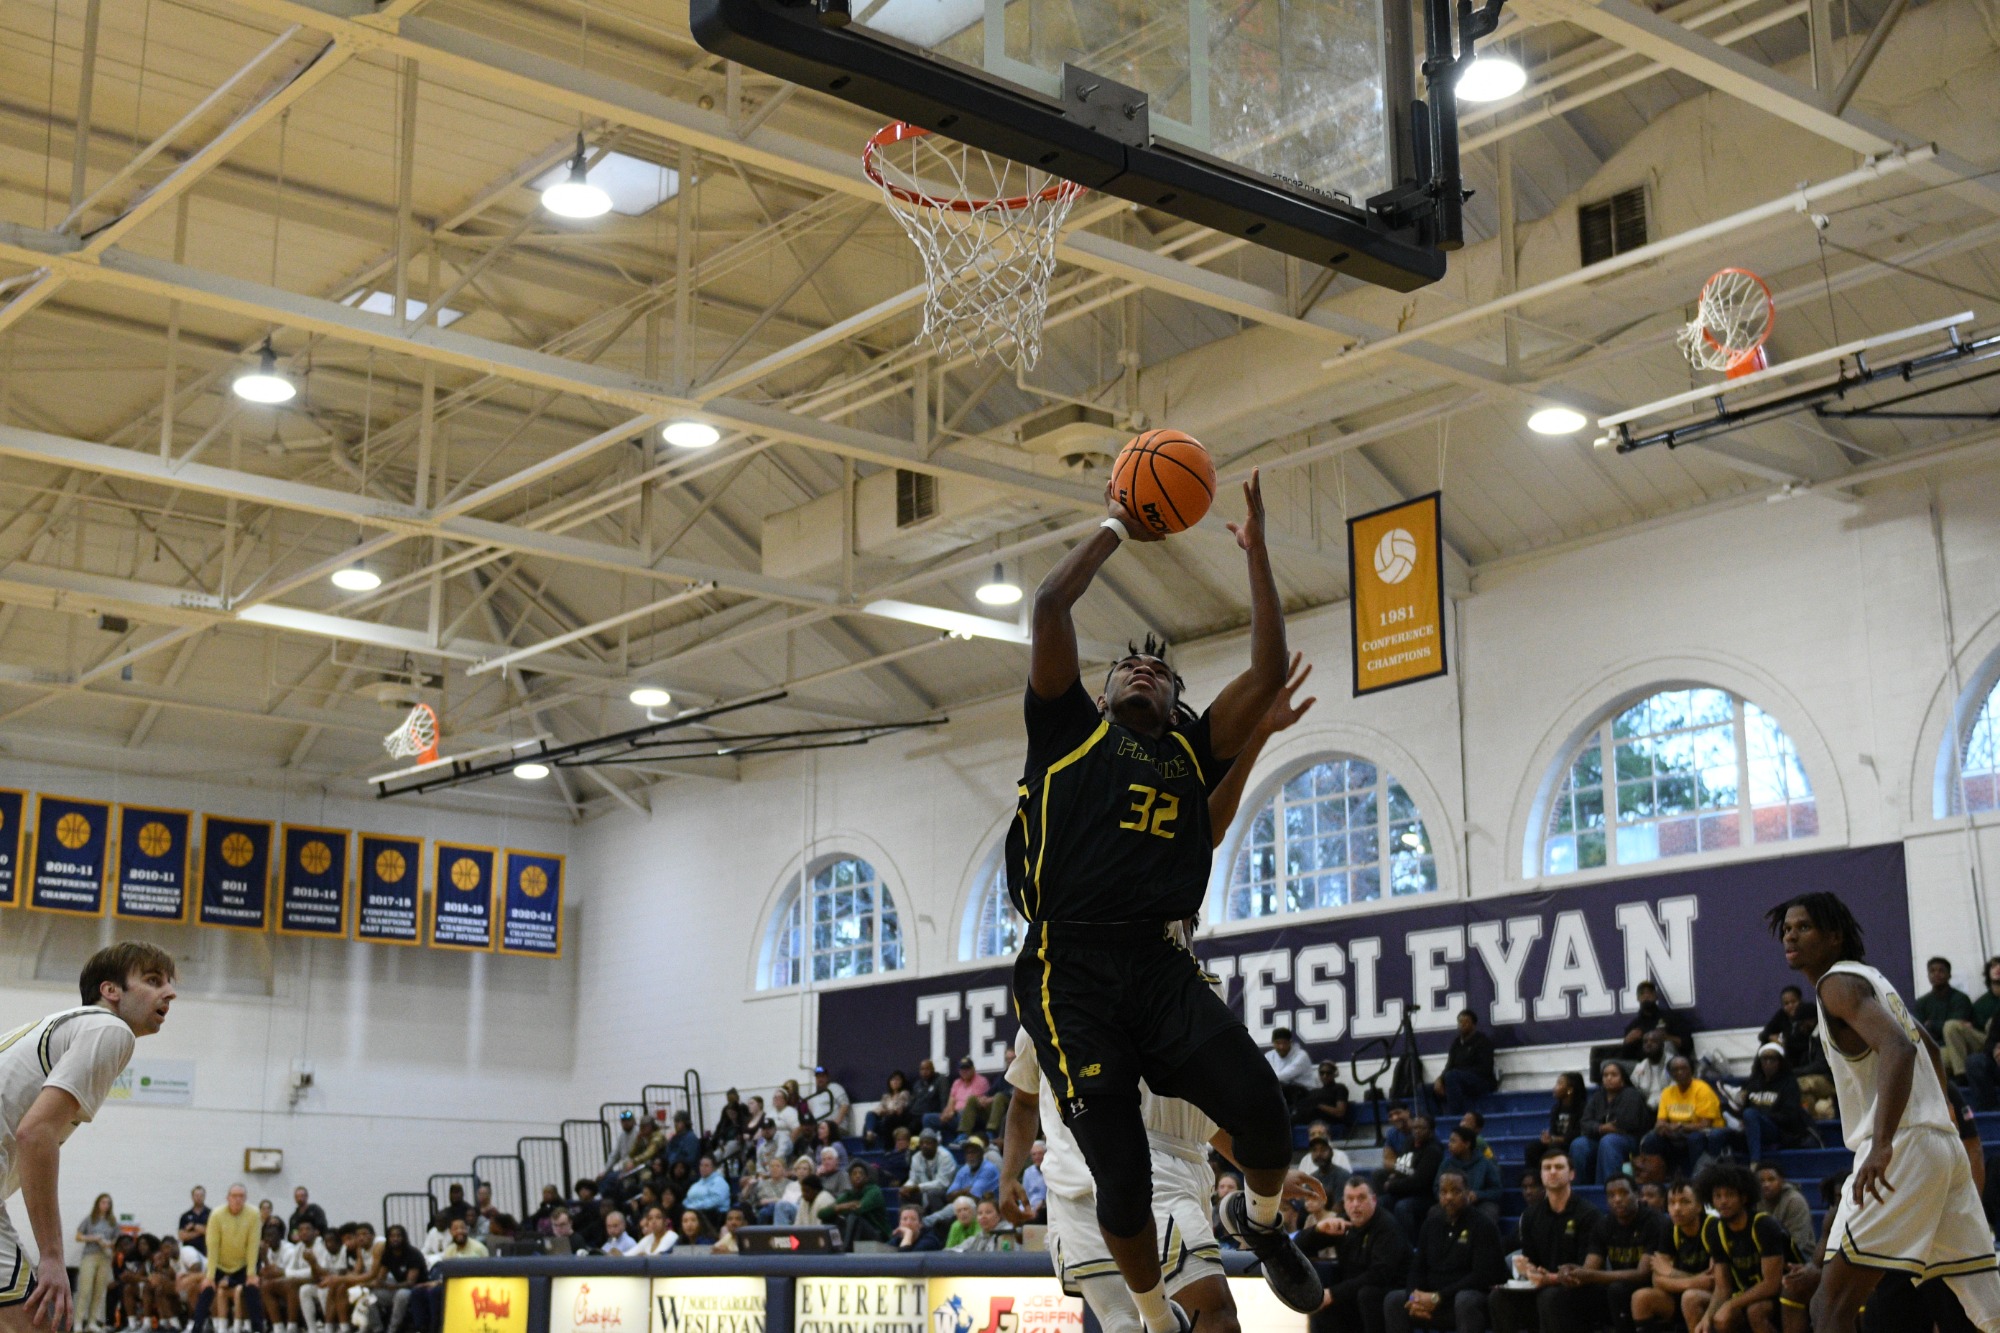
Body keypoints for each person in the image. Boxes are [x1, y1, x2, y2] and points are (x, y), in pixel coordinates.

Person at [1008, 468, 1318, 1327]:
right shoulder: (1067, 732)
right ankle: (1155, 1316)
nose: (1144, 670)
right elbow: (1049, 605)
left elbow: (1265, 667)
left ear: (1178, 703)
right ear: (1103, 691)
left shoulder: (1187, 752)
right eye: (1129, 665)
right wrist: (1118, 522)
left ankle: (1261, 1223)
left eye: (1160, 670)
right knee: (1123, 1174)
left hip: (1154, 956)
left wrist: (1257, 554)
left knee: (1265, 1112)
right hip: (1068, 963)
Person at [1769, 891, 2000, 1333]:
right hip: (1936, 1144)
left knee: (1830, 1306)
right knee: (1987, 1309)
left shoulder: (1836, 984)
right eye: (1787, 930)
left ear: (1834, 936)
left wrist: (1882, 1143)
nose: (1791, 936)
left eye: (1804, 927)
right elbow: (1928, 1047)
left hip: (1905, 1147)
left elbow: (1899, 1048)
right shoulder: (1870, 979)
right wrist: (1941, 1114)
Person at [1003, 1013, 1311, 1333]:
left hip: (1149, 1172)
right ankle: (1258, 1222)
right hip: (1073, 1192)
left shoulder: (1156, 999)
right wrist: (1008, 1175)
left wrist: (1263, 1174)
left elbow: (1199, 1109)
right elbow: (1023, 1101)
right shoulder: (1037, 1016)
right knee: (1123, 1328)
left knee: (1215, 1319)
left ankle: (1259, 1222)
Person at [0, 944, 174, 1331]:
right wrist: (52, 1256)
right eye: (153, 980)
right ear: (110, 990)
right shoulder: (109, 1028)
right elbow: (35, 1133)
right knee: (41, 1322)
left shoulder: (64, 1026)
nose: (170, 992)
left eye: (168, 982)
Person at [1488, 1147, 1601, 1333]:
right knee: (1498, 1297)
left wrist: (1550, 1279)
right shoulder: (1530, 1215)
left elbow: (1586, 1271)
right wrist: (1527, 1269)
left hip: (1578, 1292)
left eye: (1559, 1167)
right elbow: (1531, 1260)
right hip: (1543, 1288)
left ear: (1572, 1174)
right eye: (1547, 1168)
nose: (1552, 1172)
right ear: (1541, 1175)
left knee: (1549, 1296)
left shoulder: (1588, 1214)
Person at [1382, 1172, 1502, 1333]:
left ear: (1468, 1193)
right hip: (1433, 1299)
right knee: (1394, 1300)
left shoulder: (1483, 1226)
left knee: (1465, 1300)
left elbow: (1481, 1276)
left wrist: (1439, 1297)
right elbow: (1417, 1268)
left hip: (1464, 1299)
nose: (1449, 1197)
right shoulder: (1430, 1224)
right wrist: (1413, 1298)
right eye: (1444, 1192)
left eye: (1456, 1191)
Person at [1688, 1161, 1792, 1333]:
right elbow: (1723, 1287)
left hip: (1785, 1291)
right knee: (1719, 1317)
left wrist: (1731, 1304)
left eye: (1729, 1195)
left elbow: (1771, 1284)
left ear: (1743, 1198)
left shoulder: (1764, 1225)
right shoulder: (1715, 1231)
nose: (1723, 1201)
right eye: (1717, 1196)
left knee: (1755, 1311)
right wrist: (1707, 1317)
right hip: (1747, 1294)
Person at [1557, 1176, 1662, 1330]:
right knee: (1572, 1292)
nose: (1617, 1199)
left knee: (1617, 1289)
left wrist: (1590, 1275)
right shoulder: (1603, 1225)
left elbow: (1642, 1274)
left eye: (1623, 1193)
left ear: (1637, 1195)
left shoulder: (1654, 1222)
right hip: (1617, 1286)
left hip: (1651, 1286)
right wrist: (1571, 1272)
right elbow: (1590, 1269)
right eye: (1611, 1195)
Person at [1634, 1177, 1713, 1331]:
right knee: (1641, 1297)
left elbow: (1712, 1282)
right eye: (1672, 1203)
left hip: (1711, 1298)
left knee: (1691, 1297)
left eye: (1685, 1202)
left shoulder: (1712, 1227)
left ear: (1699, 1206)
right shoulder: (1669, 1227)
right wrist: (1694, 1281)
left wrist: (1671, 1273)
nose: (1676, 1208)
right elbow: (1657, 1280)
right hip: (1681, 1294)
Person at [1640, 1056, 1726, 1174]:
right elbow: (1660, 1122)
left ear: (1691, 1070)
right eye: (1675, 1070)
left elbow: (1705, 1124)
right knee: (1652, 1138)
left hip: (1703, 1132)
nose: (1680, 1072)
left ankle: (1697, 1176)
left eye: (1684, 1068)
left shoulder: (1702, 1089)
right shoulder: (1667, 1092)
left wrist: (1680, 1126)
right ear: (1670, 1074)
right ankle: (1657, 1174)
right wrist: (1665, 1127)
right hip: (1677, 1134)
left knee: (1695, 1138)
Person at [1573, 1061, 1651, 1186]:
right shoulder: (1597, 1097)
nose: (1609, 1078)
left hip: (1629, 1140)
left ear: (1622, 1079)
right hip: (1600, 1138)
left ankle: (1610, 1188)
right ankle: (1580, 1188)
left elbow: (1627, 1123)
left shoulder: (1631, 1095)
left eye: (1614, 1075)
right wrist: (1601, 1127)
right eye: (1605, 1075)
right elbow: (1585, 1122)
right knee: (1579, 1144)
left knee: (1609, 1141)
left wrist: (1600, 1127)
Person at [1737, 1044, 1811, 1164]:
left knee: (1750, 1114)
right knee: (1719, 1134)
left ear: (1780, 1062)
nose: (1768, 1063)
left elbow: (1790, 1115)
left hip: (1778, 1130)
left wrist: (1763, 1116)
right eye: (1764, 1059)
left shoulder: (1789, 1083)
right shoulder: (1753, 1082)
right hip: (1752, 1126)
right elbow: (1744, 1109)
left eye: (1772, 1059)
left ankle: (1755, 1162)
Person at [1380, 1116, 1443, 1241]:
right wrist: (1397, 1176)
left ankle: (1409, 1244)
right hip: (1407, 1189)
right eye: (1414, 1128)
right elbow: (1401, 1167)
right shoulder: (1409, 1142)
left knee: (1402, 1207)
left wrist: (1392, 1184)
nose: (1417, 1131)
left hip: (1425, 1195)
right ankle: (1386, 1240)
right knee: (1381, 1201)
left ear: (1431, 1131)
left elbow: (1419, 1182)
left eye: (1421, 1128)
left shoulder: (1433, 1150)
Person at [1914, 957, 1980, 1077]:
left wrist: (1932, 1025)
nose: (1936, 974)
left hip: (1961, 1047)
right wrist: (1935, 1027)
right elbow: (1920, 1031)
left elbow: (1955, 1028)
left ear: (1949, 975)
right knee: (1925, 1061)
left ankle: (1961, 1076)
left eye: (1941, 971)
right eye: (1932, 971)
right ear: (1928, 975)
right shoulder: (1921, 1002)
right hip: (1937, 1047)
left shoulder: (1961, 998)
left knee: (1950, 1028)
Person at [1434, 1012, 1496, 1117]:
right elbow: (1449, 1065)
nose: (1462, 1025)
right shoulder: (1456, 1043)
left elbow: (1485, 1068)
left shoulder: (1483, 1041)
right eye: (1460, 1022)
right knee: (1423, 1089)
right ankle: (1432, 1120)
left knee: (1452, 1076)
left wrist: (1460, 1073)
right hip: (1458, 1080)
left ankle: (1455, 1117)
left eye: (1466, 1022)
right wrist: (1439, 1079)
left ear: (1473, 1025)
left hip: (1482, 1081)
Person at [1526, 1073, 1588, 1178]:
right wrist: (1548, 1137)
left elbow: (1581, 1131)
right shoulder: (1556, 1108)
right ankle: (1536, 1180)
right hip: (1556, 1142)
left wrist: (1557, 1139)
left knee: (1554, 1148)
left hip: (1572, 1144)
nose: (1554, 1088)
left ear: (1570, 1090)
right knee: (1532, 1148)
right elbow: (1554, 1131)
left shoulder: (1583, 1108)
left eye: (1559, 1084)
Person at [1435, 1129, 1499, 1227]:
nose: (1449, 1144)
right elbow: (1436, 1187)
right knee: (1434, 1212)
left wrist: (1478, 1195)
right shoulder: (1446, 1164)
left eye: (1453, 1141)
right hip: (1451, 1202)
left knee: (1490, 1211)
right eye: (1449, 1141)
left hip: (1479, 1203)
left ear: (1467, 1144)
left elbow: (1496, 1190)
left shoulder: (1485, 1163)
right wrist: (1448, 1197)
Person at [75, 1193, 118, 1332]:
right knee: (85, 1289)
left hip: (105, 1257)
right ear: (98, 1204)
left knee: (99, 1290)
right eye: (103, 1202)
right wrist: (93, 1238)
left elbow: (117, 1241)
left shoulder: (113, 1222)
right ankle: (78, 1322)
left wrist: (108, 1244)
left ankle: (92, 1322)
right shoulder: (90, 1219)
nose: (106, 1205)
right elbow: (78, 1236)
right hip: (90, 1256)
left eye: (108, 1203)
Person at [1755, 1162, 1815, 1258]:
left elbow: (1797, 1242)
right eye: (1761, 1181)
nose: (1766, 1184)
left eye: (1771, 1179)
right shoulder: (1755, 1201)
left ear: (1782, 1181)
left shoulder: (1795, 1201)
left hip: (1801, 1254)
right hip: (1766, 1254)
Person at [833, 1162, 889, 1245]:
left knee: (854, 1217)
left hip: (879, 1235)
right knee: (836, 1218)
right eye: (854, 1174)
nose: (858, 1176)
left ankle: (845, 1249)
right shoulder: (849, 1194)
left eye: (860, 1173)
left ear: (866, 1178)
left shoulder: (874, 1191)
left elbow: (859, 1209)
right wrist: (838, 1208)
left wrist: (840, 1207)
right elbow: (825, 1212)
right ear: (850, 1179)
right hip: (859, 1234)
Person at [1297, 1064, 1356, 1133]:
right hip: (1309, 1120)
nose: (1325, 1076)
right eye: (1322, 1073)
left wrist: (1318, 1105)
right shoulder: (1314, 1091)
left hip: (1328, 1123)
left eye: (1328, 1073)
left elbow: (1340, 1112)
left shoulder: (1340, 1088)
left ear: (1334, 1074)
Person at [864, 1072, 913, 1147]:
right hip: (885, 1118)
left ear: (902, 1082)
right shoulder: (886, 1096)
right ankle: (870, 1135)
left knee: (886, 1120)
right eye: (892, 1080)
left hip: (896, 1120)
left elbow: (898, 1110)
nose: (895, 1082)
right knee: (870, 1115)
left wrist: (885, 1111)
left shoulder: (904, 1093)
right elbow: (880, 1108)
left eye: (897, 1080)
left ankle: (880, 1144)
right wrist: (880, 1112)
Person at [1630, 1031, 1674, 1109]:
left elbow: (1675, 1090)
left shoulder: (1674, 1064)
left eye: (1654, 1041)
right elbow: (1636, 1089)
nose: (1649, 1044)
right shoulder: (1640, 1067)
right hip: (1646, 1107)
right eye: (1645, 1042)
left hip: (1670, 1105)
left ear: (1662, 1045)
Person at [1267, 1029, 1316, 1098]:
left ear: (1290, 1042)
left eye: (1285, 1043)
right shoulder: (1269, 1056)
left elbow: (1285, 1076)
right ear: (1273, 1043)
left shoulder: (1301, 1055)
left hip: (1305, 1093)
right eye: (1278, 1043)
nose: (1281, 1047)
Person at [908, 1059, 952, 1132]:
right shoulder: (918, 1084)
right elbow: (911, 1101)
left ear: (933, 1069)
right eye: (922, 1069)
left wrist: (944, 1114)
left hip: (928, 1114)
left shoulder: (941, 1080)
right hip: (914, 1114)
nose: (924, 1072)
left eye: (927, 1069)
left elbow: (944, 1099)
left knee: (914, 1126)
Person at [179, 1188, 211, 1260]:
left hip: (207, 1253)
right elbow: (182, 1236)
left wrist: (194, 1226)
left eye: (201, 1195)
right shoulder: (185, 1216)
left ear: (204, 1196)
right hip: (189, 1255)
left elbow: (212, 1232)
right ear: (192, 1197)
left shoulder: (211, 1214)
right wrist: (202, 1230)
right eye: (196, 1195)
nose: (199, 1198)